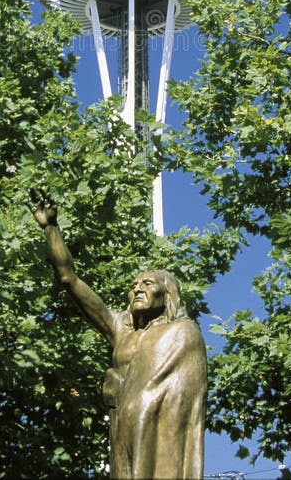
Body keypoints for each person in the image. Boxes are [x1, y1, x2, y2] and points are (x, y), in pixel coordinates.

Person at [30, 188, 207, 480]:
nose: (137, 288)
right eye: (134, 284)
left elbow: (183, 405)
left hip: (159, 448)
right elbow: (68, 278)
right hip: (121, 435)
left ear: (168, 294)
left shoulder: (182, 333)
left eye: (148, 284)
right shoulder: (121, 328)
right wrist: (51, 228)